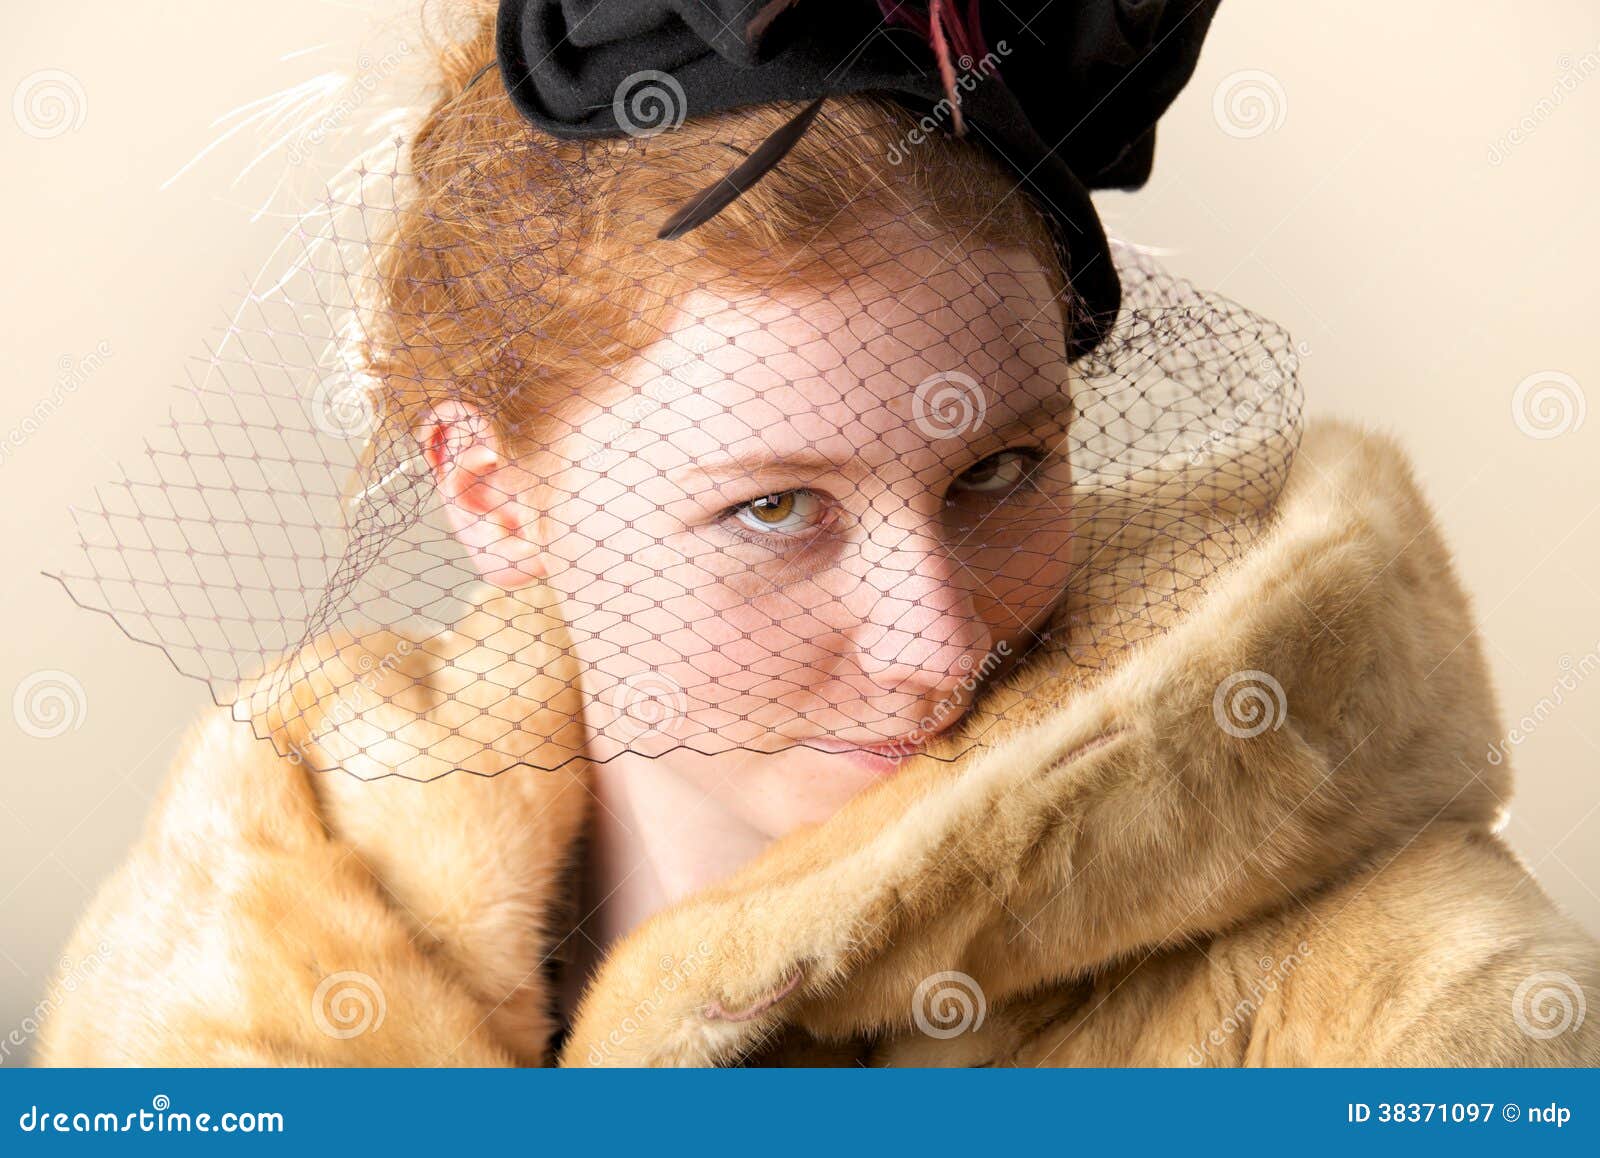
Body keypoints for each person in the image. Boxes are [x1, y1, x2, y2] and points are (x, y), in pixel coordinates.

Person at [39, 0, 1600, 1066]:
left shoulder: (1384, 981)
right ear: (492, 492)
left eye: (1000, 470)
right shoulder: (254, 909)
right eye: (775, 507)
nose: (940, 644)